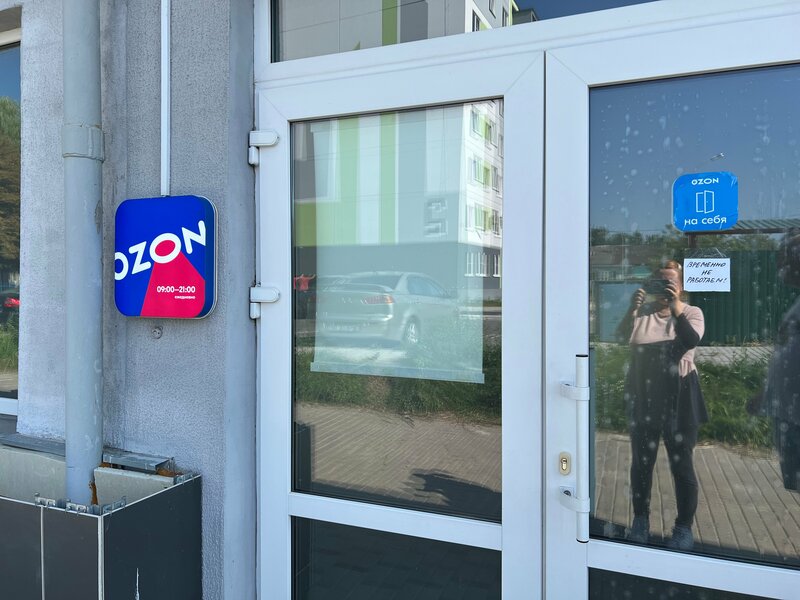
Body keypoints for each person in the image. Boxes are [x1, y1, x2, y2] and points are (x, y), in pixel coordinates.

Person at [617, 260, 707, 550]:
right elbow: (619, 337)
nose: (665, 287)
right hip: (644, 395)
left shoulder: (691, 313)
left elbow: (690, 340)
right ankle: (640, 520)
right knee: (642, 464)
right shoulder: (642, 314)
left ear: (681, 286)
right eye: (660, 282)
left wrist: (676, 307)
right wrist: (632, 309)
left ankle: (683, 528)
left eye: (671, 282)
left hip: (680, 397)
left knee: (682, 466)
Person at [760, 231, 800, 491]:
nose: (781, 262)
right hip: (789, 415)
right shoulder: (796, 305)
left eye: (789, 254)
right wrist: (765, 393)